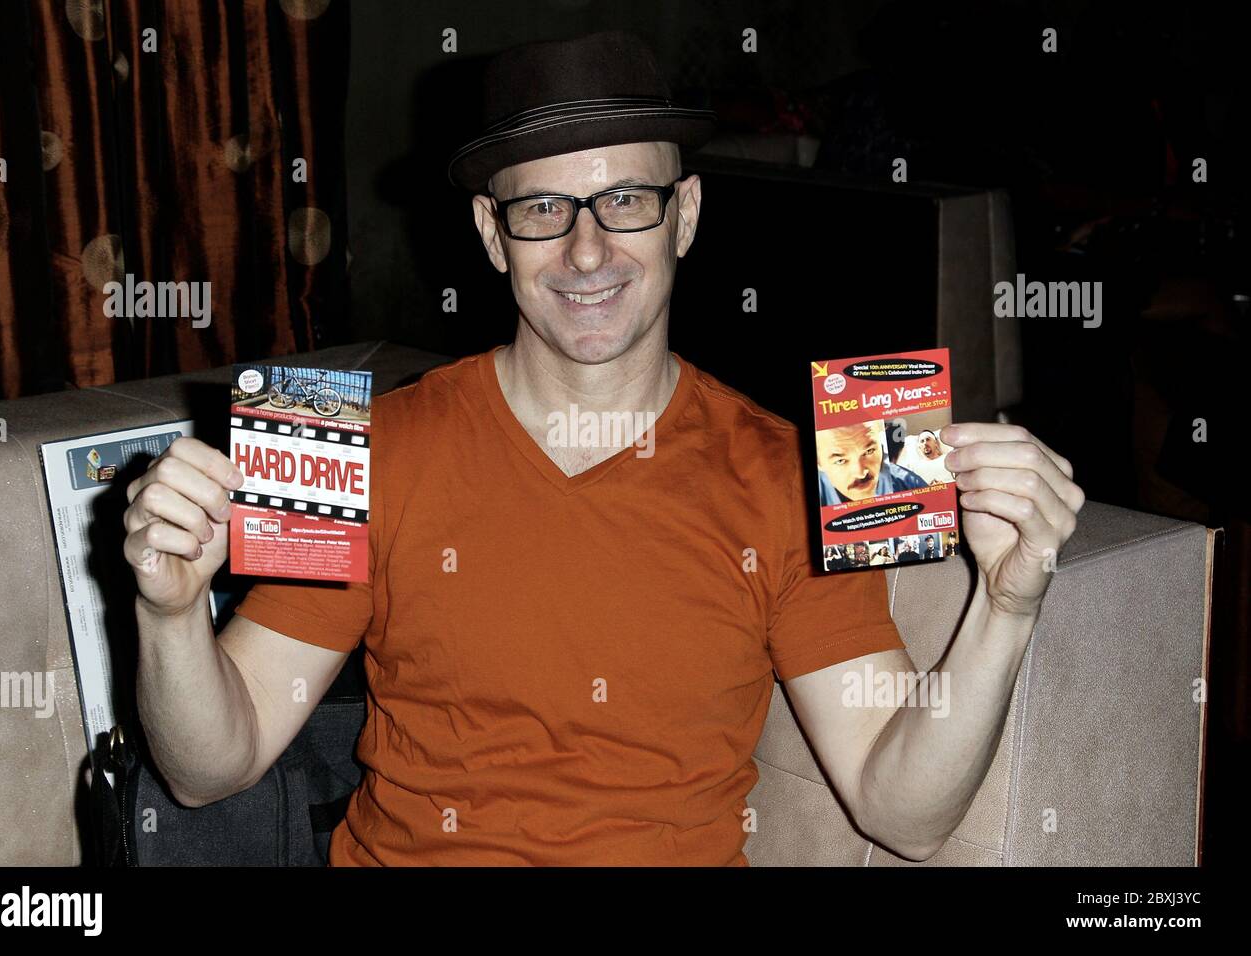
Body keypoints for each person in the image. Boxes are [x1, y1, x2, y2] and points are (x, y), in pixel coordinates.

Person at [123, 30, 1084, 866]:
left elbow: (901, 813)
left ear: (688, 215)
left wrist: (1007, 605)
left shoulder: (803, 469)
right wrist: (169, 615)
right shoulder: (357, 445)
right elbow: (215, 769)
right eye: (543, 209)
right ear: (490, 236)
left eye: (627, 199)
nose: (587, 252)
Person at [817, 420, 928, 505]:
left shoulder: (910, 484)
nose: (861, 473)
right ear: (819, 462)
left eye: (869, 451)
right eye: (840, 461)